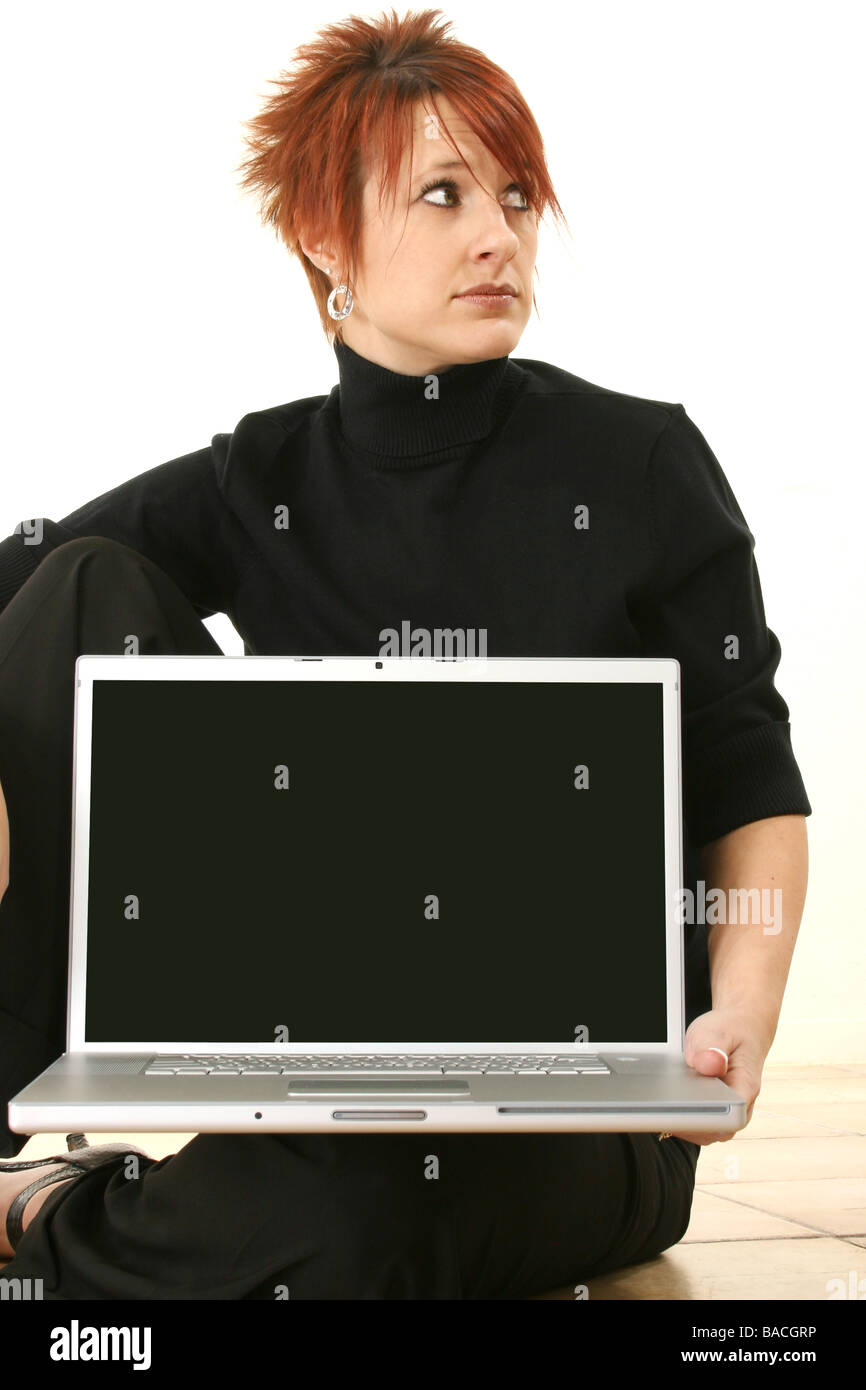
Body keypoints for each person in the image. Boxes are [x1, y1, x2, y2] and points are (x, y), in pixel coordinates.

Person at [0, 8, 810, 1299]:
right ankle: (36, 1129)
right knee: (71, 587)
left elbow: (749, 779)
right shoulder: (256, 475)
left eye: (515, 194)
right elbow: (29, 597)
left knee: (367, 1227)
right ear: (324, 239)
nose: (497, 233)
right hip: (315, 1050)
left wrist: (738, 1016)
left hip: (581, 1098)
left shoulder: (641, 462)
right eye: (442, 194)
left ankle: (64, 1216)